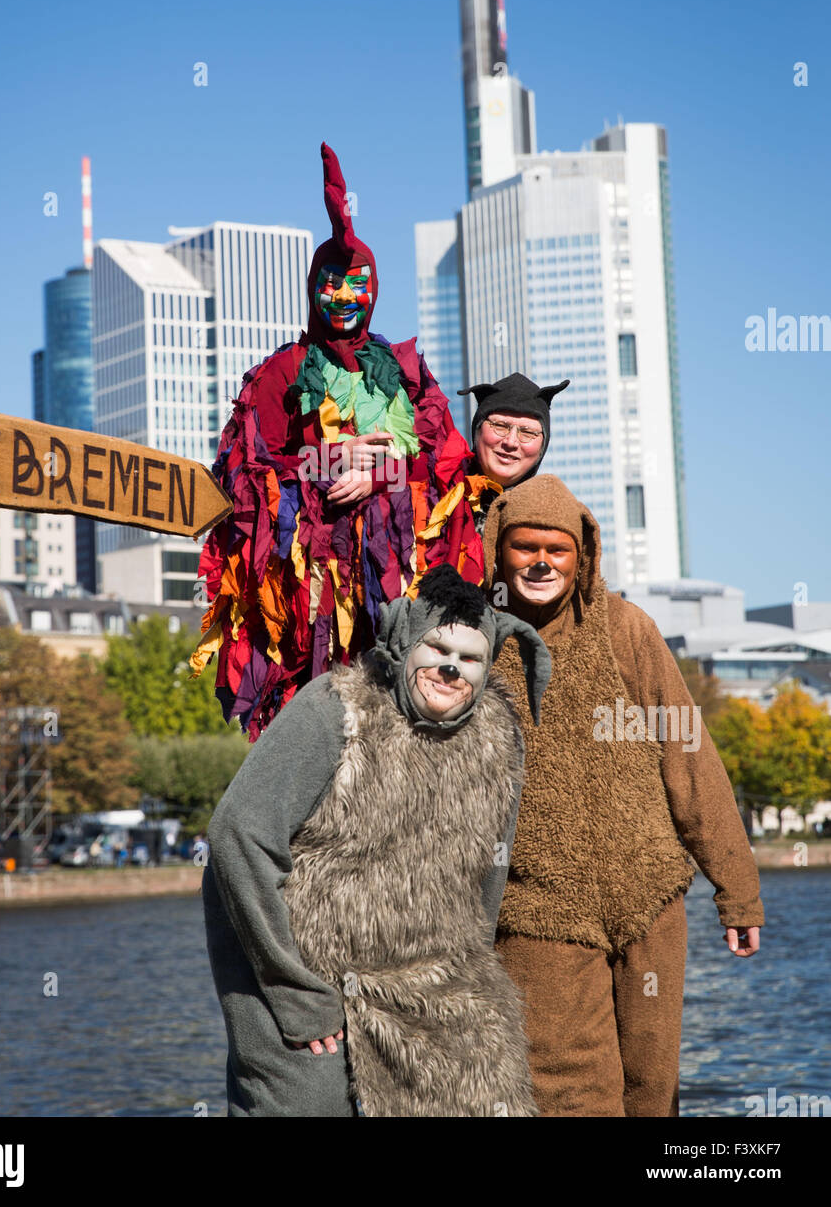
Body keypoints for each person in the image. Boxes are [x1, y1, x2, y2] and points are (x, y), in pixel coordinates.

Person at [201, 564, 552, 1117]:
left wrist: (468, 972)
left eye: (470, 658)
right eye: (437, 649)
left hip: (432, 983)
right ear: (405, 644)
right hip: (310, 978)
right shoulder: (333, 710)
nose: (451, 668)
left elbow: (490, 870)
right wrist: (293, 992)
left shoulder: (499, 736)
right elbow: (238, 839)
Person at [481, 475, 764, 1117]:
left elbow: (689, 758)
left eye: (558, 550)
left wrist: (738, 890)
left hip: (649, 899)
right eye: (526, 548)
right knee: (566, 1094)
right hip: (537, 913)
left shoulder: (626, 630)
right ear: (499, 550)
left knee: (653, 1084)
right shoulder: (473, 640)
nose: (542, 562)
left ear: (584, 557)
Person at [189, 143, 481, 741]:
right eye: (331, 283)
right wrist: (323, 463)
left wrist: (380, 475)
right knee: (318, 739)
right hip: (308, 597)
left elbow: (443, 466)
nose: (344, 297)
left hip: (396, 592)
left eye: (357, 283)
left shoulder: (406, 374)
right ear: (312, 287)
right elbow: (244, 476)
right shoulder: (279, 372)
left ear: (374, 288)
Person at [420, 374, 570, 572]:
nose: (511, 442)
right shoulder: (430, 493)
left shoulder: (555, 518)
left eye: (527, 433)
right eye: (499, 426)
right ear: (477, 430)